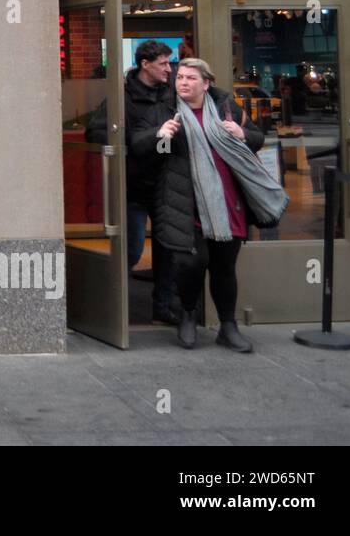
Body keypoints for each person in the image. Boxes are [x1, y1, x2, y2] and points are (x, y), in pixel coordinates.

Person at [133, 58, 289, 352]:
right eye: (180, 77)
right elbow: (137, 145)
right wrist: (159, 136)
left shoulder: (226, 109)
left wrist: (243, 134)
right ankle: (188, 315)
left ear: (206, 83)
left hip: (229, 203)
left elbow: (257, 136)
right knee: (191, 263)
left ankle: (228, 326)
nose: (183, 82)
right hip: (183, 202)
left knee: (224, 267)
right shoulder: (163, 111)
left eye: (191, 78)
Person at [123, 41, 180, 324]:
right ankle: (114, 307)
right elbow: (98, 133)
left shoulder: (173, 91)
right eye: (163, 64)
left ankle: (163, 307)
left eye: (170, 63)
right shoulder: (122, 95)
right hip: (134, 185)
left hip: (167, 183)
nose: (168, 69)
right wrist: (152, 136)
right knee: (132, 249)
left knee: (167, 250)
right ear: (145, 64)